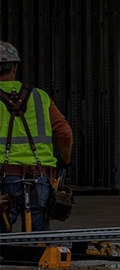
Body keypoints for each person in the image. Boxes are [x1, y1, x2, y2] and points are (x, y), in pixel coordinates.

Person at [0, 40, 75, 233]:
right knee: (38, 246)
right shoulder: (40, 96)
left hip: (3, 180)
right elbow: (65, 133)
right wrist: (64, 162)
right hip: (39, 177)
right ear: (15, 67)